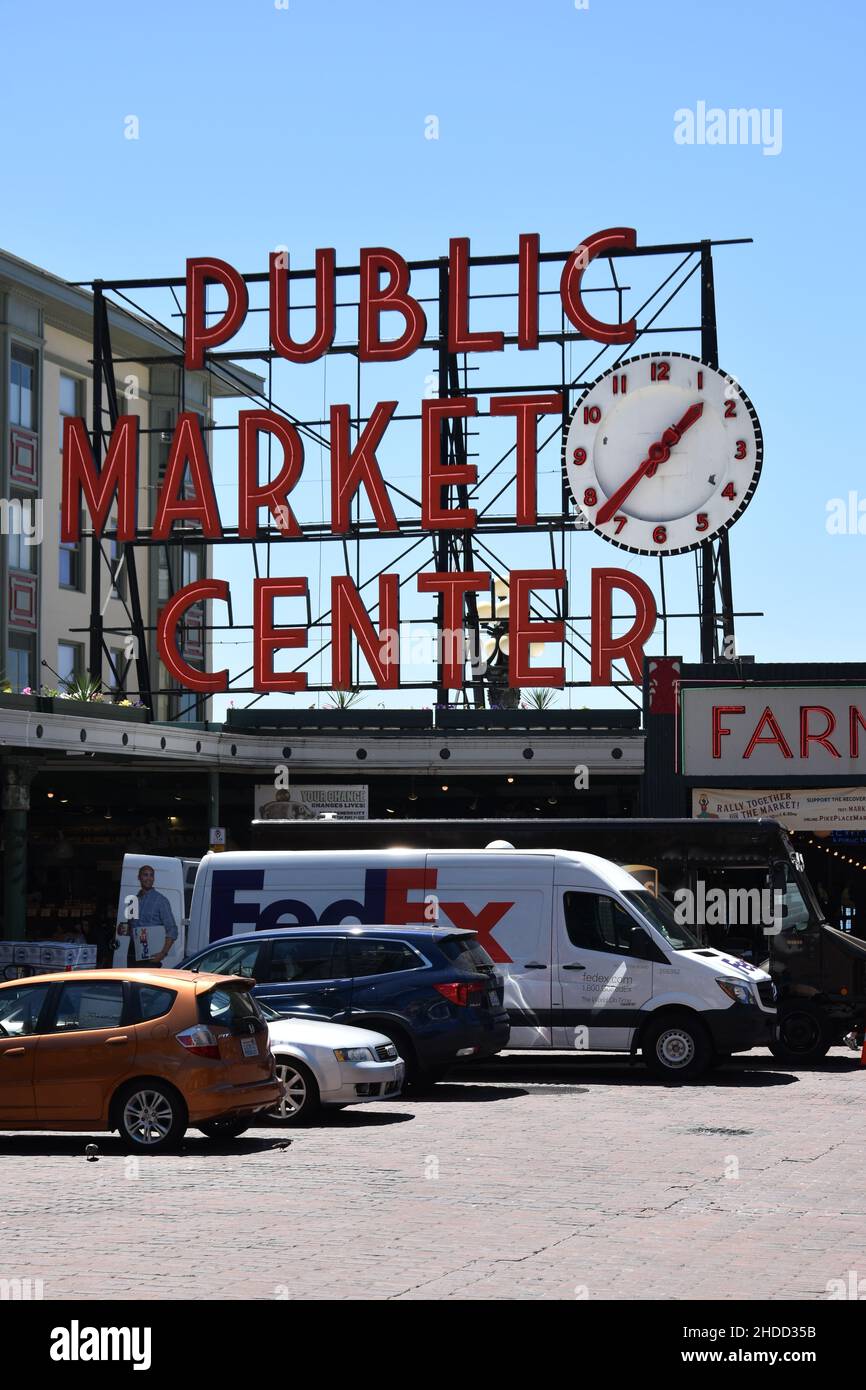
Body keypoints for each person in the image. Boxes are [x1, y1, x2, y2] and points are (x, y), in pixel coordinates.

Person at [116, 865, 179, 968]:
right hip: (132, 953)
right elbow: (131, 929)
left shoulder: (161, 901)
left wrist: (163, 953)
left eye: (151, 875)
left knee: (145, 985)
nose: (149, 878)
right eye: (145, 875)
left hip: (150, 956)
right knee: (130, 983)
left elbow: (172, 930)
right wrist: (123, 929)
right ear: (139, 877)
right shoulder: (133, 901)